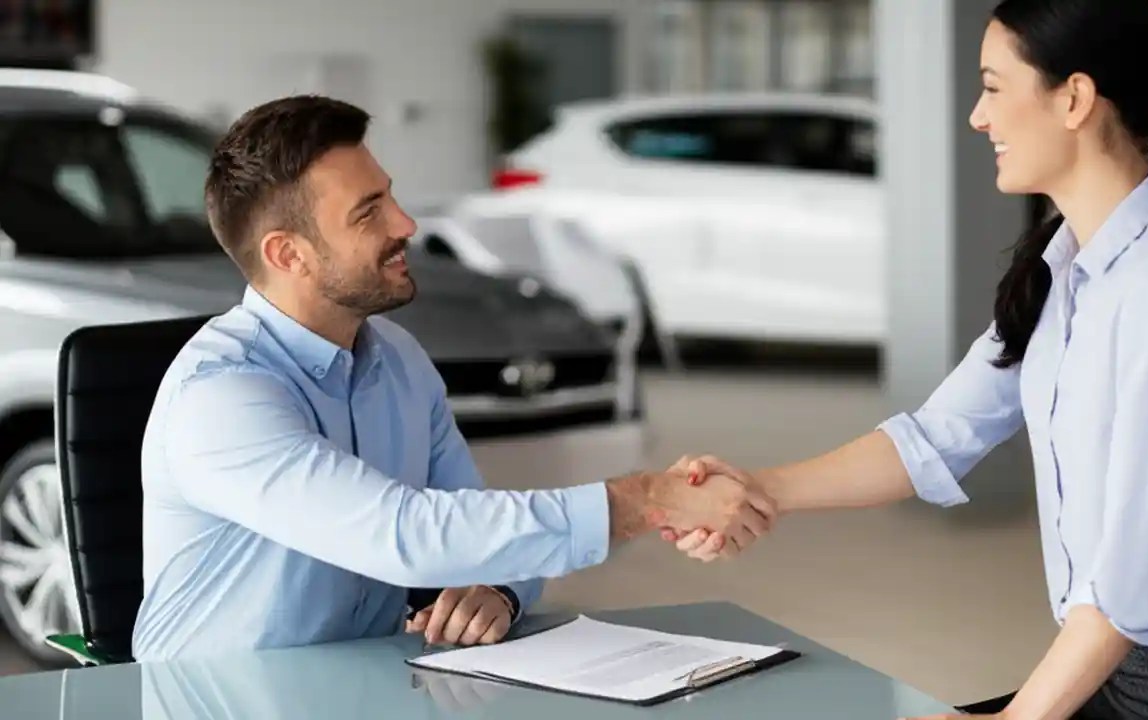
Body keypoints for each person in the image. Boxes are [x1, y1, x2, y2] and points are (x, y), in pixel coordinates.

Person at [664, 0, 1148, 717]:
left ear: (1074, 98)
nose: (977, 118)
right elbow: (934, 439)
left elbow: (1134, 583)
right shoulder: (1062, 268)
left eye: (992, 86)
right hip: (1107, 659)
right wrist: (757, 489)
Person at [131, 95, 776, 661]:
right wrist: (645, 500)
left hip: (359, 688)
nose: (406, 225)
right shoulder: (220, 397)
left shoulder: (401, 361)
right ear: (287, 254)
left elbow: (472, 525)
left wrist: (497, 589)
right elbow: (401, 534)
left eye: (391, 197)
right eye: (369, 212)